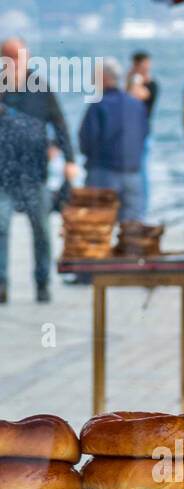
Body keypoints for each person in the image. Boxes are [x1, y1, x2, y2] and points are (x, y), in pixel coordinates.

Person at [0, 36, 76, 303]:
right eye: (7, 58)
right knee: (1, 227)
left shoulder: (40, 87)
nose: (13, 63)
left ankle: (42, 283)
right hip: (3, 175)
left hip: (35, 174)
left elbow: (59, 123)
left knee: (42, 231)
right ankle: (1, 285)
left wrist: (69, 158)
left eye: (17, 57)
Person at [79, 57, 148, 224]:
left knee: (98, 226)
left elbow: (86, 141)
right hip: (133, 173)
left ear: (104, 78)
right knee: (132, 230)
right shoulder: (137, 105)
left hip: (104, 173)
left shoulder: (98, 105)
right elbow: (144, 134)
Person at [126, 51, 157, 217]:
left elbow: (134, 95)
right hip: (131, 134)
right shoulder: (131, 81)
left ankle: (142, 211)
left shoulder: (151, 85)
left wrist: (134, 79)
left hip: (143, 133)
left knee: (142, 172)